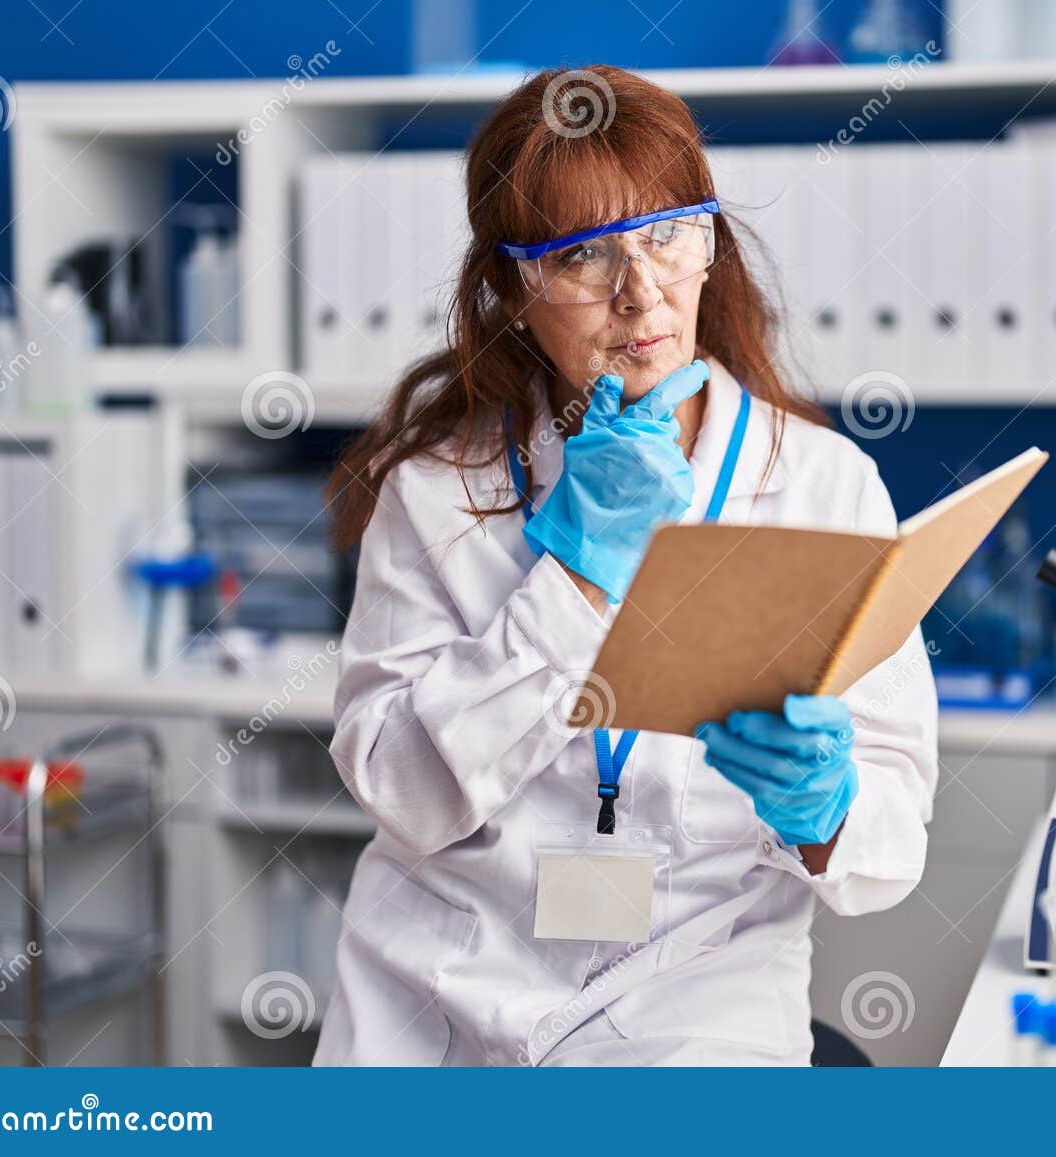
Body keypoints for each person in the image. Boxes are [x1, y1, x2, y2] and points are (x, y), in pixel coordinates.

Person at [314, 64, 936, 1067]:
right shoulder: (436, 490)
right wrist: (578, 577)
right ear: (513, 286)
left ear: (708, 245)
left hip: (697, 990)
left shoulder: (823, 485)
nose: (639, 291)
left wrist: (827, 809)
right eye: (582, 257)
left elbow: (891, 842)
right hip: (437, 991)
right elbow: (401, 790)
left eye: (667, 234)